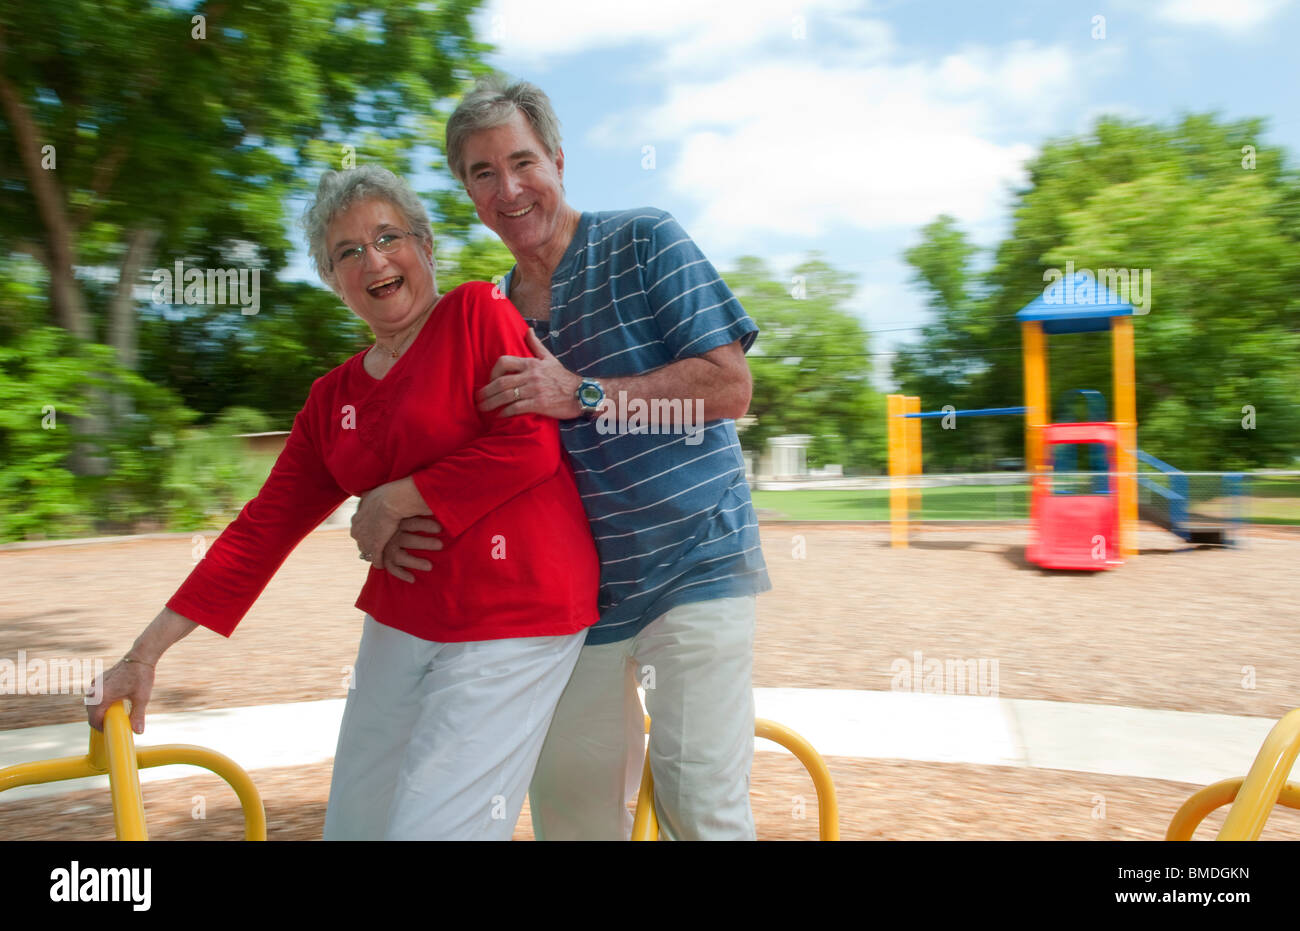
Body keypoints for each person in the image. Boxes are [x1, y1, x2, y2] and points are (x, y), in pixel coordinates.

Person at [85, 165, 599, 841]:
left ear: (425, 247)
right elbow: (258, 530)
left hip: (518, 608)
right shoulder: (333, 399)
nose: (374, 259)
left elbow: (529, 447)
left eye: (389, 237)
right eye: (347, 252)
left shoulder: (476, 312)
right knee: (358, 822)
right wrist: (142, 653)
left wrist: (396, 499)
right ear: (334, 282)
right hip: (404, 611)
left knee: (434, 828)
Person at [432, 77, 772, 840]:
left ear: (557, 158)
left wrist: (581, 393)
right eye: (482, 173)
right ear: (468, 192)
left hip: (697, 562)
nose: (509, 188)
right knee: (570, 816)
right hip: (577, 600)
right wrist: (398, 503)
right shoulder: (490, 309)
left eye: (522, 161)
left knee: (699, 804)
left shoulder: (645, 238)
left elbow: (727, 388)